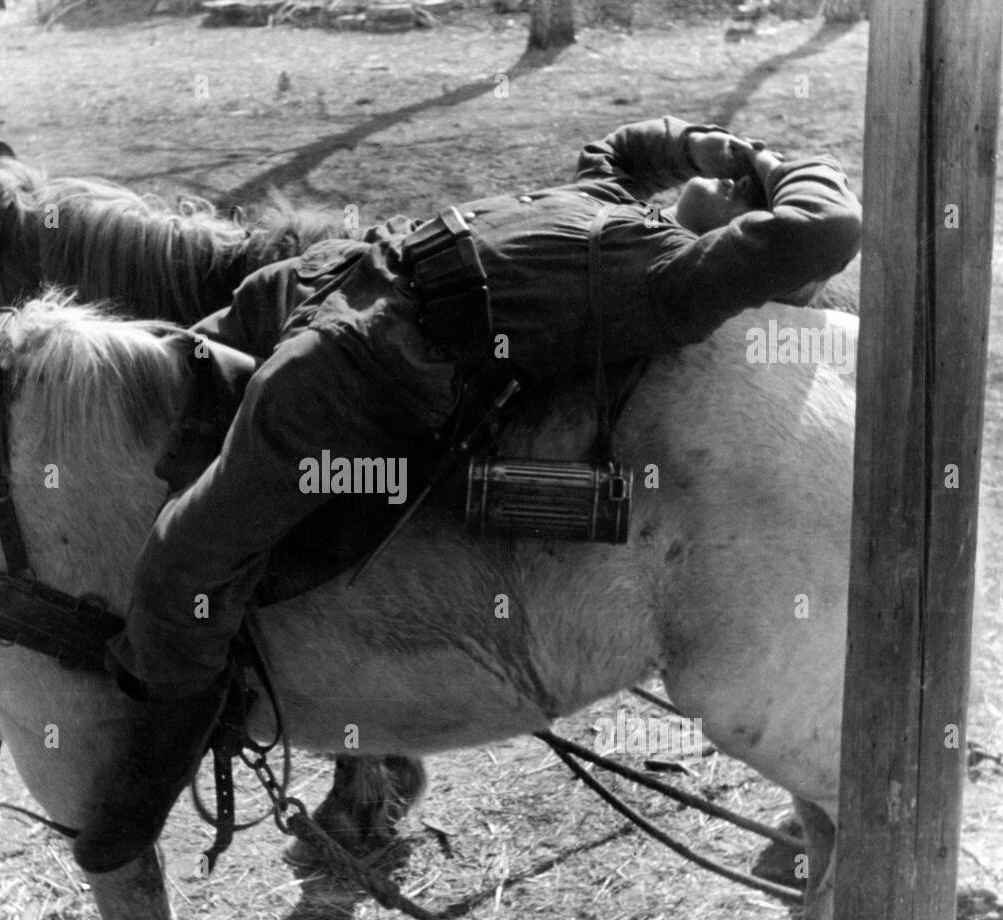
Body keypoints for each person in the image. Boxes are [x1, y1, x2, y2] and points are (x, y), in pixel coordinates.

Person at [73, 115, 863, 874]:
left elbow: (825, 229)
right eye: (732, 176)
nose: (728, 182)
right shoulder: (617, 202)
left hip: (350, 369)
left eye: (744, 193)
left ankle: (137, 800)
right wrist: (707, 144)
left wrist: (787, 170)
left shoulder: (668, 283)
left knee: (183, 563)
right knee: (131, 409)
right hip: (311, 285)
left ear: (742, 238)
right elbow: (619, 146)